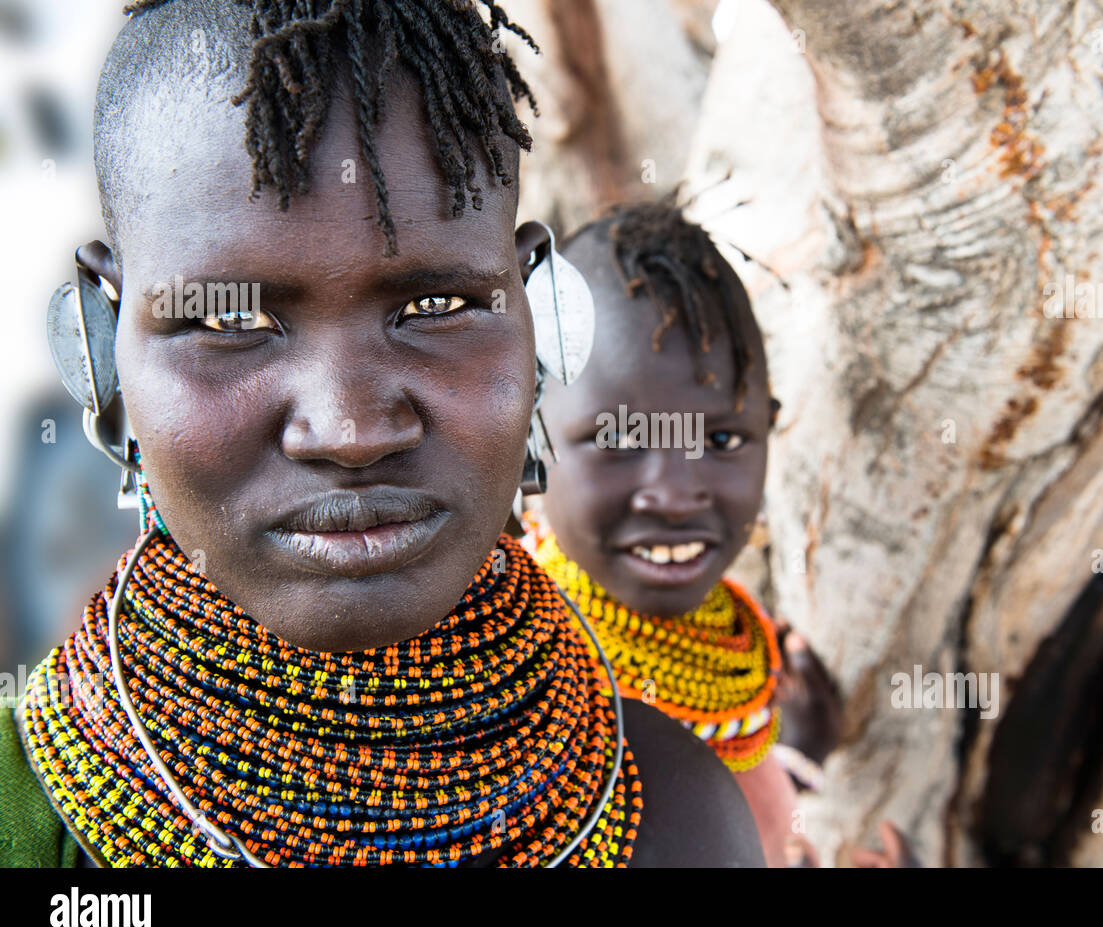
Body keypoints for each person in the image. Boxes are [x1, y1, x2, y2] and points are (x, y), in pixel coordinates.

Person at [0, 0, 763, 868]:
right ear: (102, 340)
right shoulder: (18, 813)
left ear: (542, 321)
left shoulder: (675, 812)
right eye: (230, 317)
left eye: (435, 306)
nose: (351, 430)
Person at [528, 197, 916, 867]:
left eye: (724, 436)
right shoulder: (529, 720)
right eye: (619, 437)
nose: (676, 495)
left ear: (771, 426)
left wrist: (791, 757)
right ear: (527, 438)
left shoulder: (735, 664)